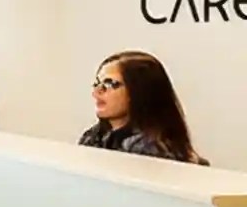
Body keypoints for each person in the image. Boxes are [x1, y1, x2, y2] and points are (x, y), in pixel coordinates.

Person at [77, 50, 208, 165]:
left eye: (110, 84)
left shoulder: (151, 150)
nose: (97, 92)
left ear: (139, 91)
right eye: (97, 84)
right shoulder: (93, 137)